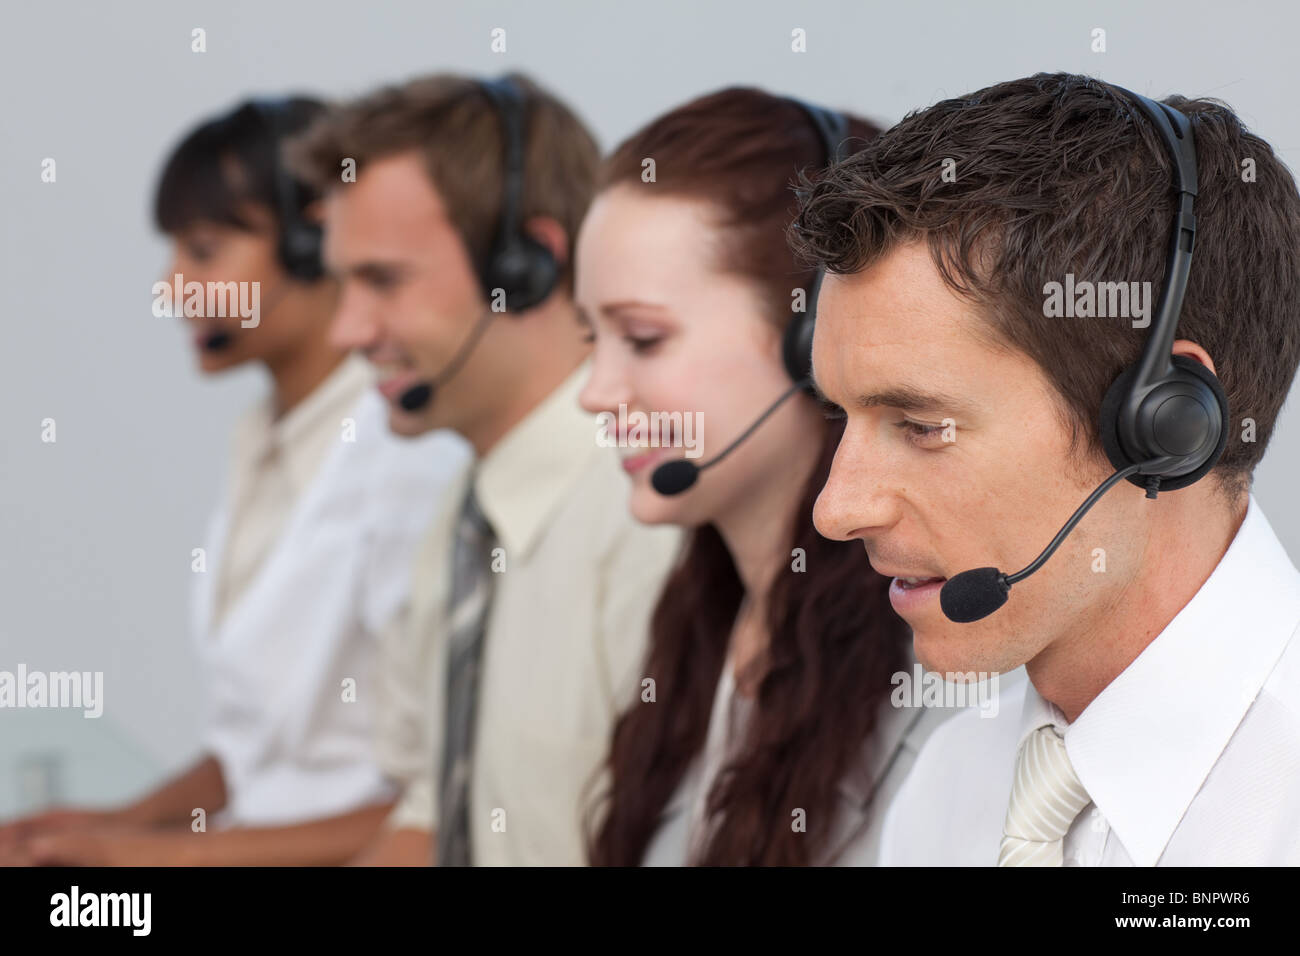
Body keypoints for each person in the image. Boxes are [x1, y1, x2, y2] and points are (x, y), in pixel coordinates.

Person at [796, 72, 1300, 865]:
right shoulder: (948, 787)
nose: (836, 509)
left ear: (1164, 424)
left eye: (922, 425)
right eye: (842, 415)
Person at [0, 97, 469, 866]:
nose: (174, 286)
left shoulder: (405, 462)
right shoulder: (267, 440)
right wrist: (103, 825)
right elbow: (255, 751)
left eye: (205, 250)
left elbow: (434, 802)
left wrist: (147, 859)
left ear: (316, 245)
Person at [288, 72, 682, 865]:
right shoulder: (463, 522)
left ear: (527, 264)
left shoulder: (647, 512)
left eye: (383, 280)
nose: (348, 331)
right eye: (341, 284)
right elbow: (431, 815)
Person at [576, 87, 962, 867]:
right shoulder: (699, 620)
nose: (594, 392)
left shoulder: (945, 664)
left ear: (811, 341)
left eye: (643, 338)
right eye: (591, 337)